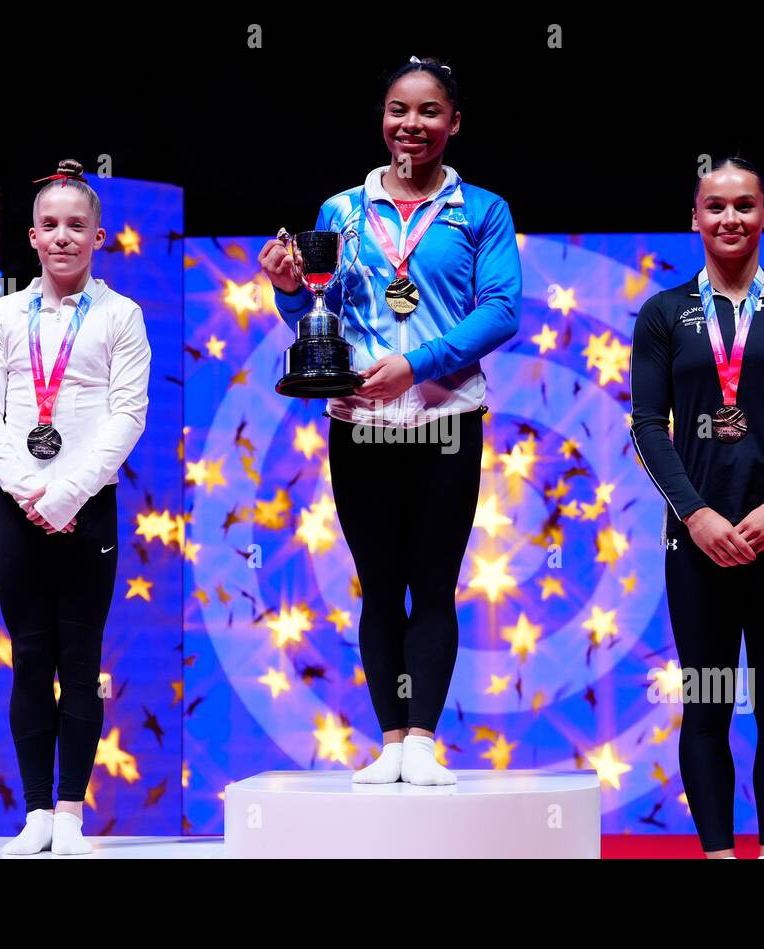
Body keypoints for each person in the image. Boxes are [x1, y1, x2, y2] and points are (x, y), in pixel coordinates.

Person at [258, 56, 521, 785]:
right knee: (379, 585)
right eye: (399, 110)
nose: (413, 124)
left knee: (433, 584)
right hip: (361, 422)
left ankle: (424, 743)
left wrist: (418, 364)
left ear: (455, 123)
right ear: (382, 118)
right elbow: (321, 313)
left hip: (447, 420)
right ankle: (392, 740)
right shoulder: (341, 211)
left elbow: (502, 309)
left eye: (430, 111)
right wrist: (288, 291)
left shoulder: (483, 211)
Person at [629, 157, 764, 858]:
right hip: (696, 544)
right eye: (716, 206)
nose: (731, 218)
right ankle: (720, 856)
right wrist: (695, 514)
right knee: (707, 706)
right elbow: (647, 425)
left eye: (744, 205)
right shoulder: (664, 313)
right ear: (695, 218)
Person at [0, 159, 152, 854]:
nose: (64, 236)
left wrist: (70, 492)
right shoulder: (2, 315)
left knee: (79, 662)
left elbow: (128, 415)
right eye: (51, 225)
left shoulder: (121, 316)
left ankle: (71, 813)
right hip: (19, 509)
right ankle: (37, 812)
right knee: (29, 657)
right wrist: (29, 492)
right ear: (33, 236)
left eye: (77, 225)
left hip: (89, 510)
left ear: (98, 237)